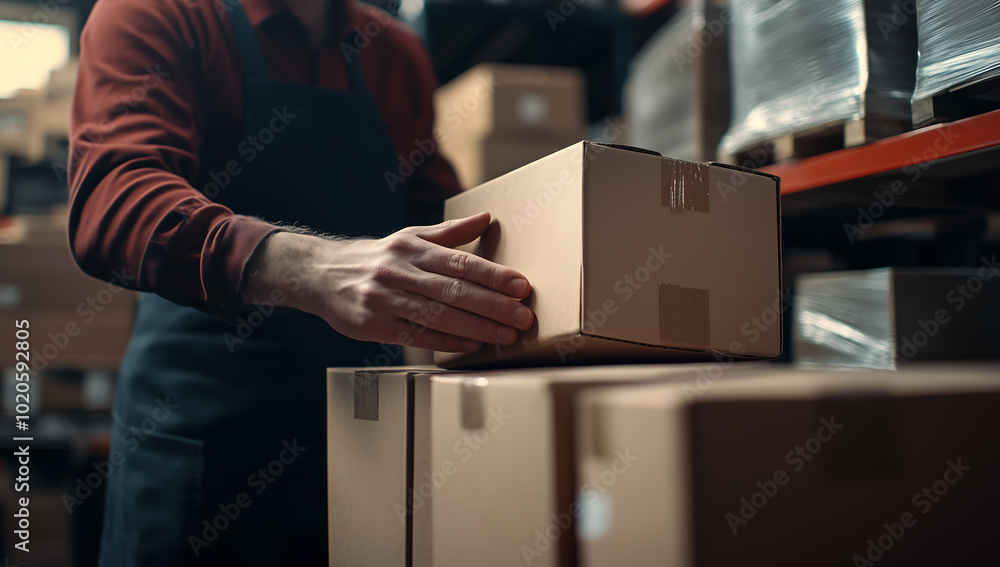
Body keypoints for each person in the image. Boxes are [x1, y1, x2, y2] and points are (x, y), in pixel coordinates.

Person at [67, 0, 534, 564]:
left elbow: (436, 210)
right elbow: (111, 196)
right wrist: (315, 271)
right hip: (203, 444)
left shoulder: (394, 50)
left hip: (367, 441)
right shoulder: (155, 13)